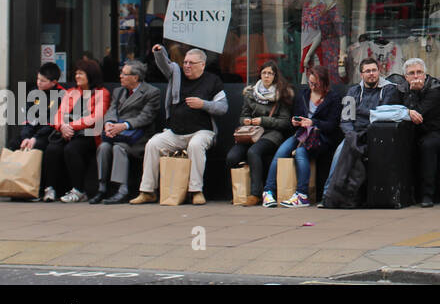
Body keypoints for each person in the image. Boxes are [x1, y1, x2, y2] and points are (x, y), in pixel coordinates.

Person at [131, 45, 228, 205]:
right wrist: (159, 52)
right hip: (175, 132)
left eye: (191, 63)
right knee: (153, 144)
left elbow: (223, 108)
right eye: (185, 62)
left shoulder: (213, 81)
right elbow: (165, 65)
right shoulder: (176, 75)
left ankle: (196, 191)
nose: (187, 66)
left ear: (202, 65)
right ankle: (148, 191)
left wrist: (203, 104)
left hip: (202, 131)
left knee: (196, 146)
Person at [319, 56, 400, 204]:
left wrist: (362, 114)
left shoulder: (389, 90)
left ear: (379, 71)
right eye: (367, 71)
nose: (371, 74)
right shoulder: (353, 91)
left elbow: (381, 115)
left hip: (375, 134)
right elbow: (345, 119)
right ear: (361, 74)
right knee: (339, 153)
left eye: (374, 70)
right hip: (354, 134)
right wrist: (351, 135)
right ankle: (328, 196)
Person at [265, 63, 341, 207]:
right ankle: (268, 192)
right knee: (281, 151)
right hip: (301, 134)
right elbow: (297, 114)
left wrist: (313, 122)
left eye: (315, 84)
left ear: (324, 82)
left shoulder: (333, 98)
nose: (312, 86)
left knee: (301, 151)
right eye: (310, 83)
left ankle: (302, 194)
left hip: (321, 137)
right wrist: (295, 121)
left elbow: (332, 125)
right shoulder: (304, 95)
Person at [92, 60, 162, 204]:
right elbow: (111, 110)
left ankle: (122, 190)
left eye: (124, 74)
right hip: (117, 133)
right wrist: (109, 124)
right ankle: (102, 187)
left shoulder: (151, 92)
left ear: (135, 77)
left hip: (138, 137)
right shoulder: (119, 91)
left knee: (119, 148)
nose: (120, 76)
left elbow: (146, 117)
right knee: (103, 147)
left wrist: (125, 125)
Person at [41, 59, 111, 203]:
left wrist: (71, 126)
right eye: (76, 73)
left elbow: (96, 117)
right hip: (67, 133)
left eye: (81, 73)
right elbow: (58, 114)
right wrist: (62, 127)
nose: (77, 76)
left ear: (90, 75)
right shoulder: (71, 92)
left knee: (72, 149)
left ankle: (79, 190)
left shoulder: (102, 93)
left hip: (89, 135)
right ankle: (50, 188)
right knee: (52, 149)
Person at [226, 62, 293, 205]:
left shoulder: (282, 94)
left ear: (275, 76)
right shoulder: (251, 93)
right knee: (232, 157)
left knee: (253, 152)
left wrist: (262, 120)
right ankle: (239, 192)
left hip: (272, 134)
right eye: (264, 73)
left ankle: (256, 194)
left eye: (270, 73)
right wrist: (247, 121)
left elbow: (284, 122)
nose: (267, 76)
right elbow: (243, 116)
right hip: (251, 134)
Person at [401, 58, 440, 207]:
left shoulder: (434, 88)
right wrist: (407, 111)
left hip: (438, 133)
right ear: (406, 77)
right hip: (412, 133)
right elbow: (395, 109)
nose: (416, 76)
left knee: (427, 145)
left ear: (425, 74)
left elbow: (418, 114)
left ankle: (427, 195)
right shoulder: (400, 88)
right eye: (412, 73)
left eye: (419, 72)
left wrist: (413, 94)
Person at [8, 63, 65, 200]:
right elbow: (27, 119)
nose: (39, 83)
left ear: (54, 82)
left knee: (41, 146)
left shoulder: (61, 95)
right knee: (14, 144)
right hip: (33, 131)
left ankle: (44, 188)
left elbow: (52, 122)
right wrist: (26, 137)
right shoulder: (33, 93)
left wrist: (35, 138)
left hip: (50, 133)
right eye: (38, 79)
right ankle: (14, 185)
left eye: (43, 81)